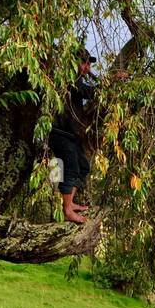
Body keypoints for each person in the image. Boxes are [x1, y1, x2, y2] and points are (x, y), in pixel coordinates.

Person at [48, 49, 128, 223]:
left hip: (71, 135)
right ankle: (67, 209)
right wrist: (111, 81)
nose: (87, 66)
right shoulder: (68, 79)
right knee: (71, 168)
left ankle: (69, 203)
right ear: (73, 62)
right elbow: (89, 92)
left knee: (83, 167)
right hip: (60, 133)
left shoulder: (78, 79)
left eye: (89, 63)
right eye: (83, 62)